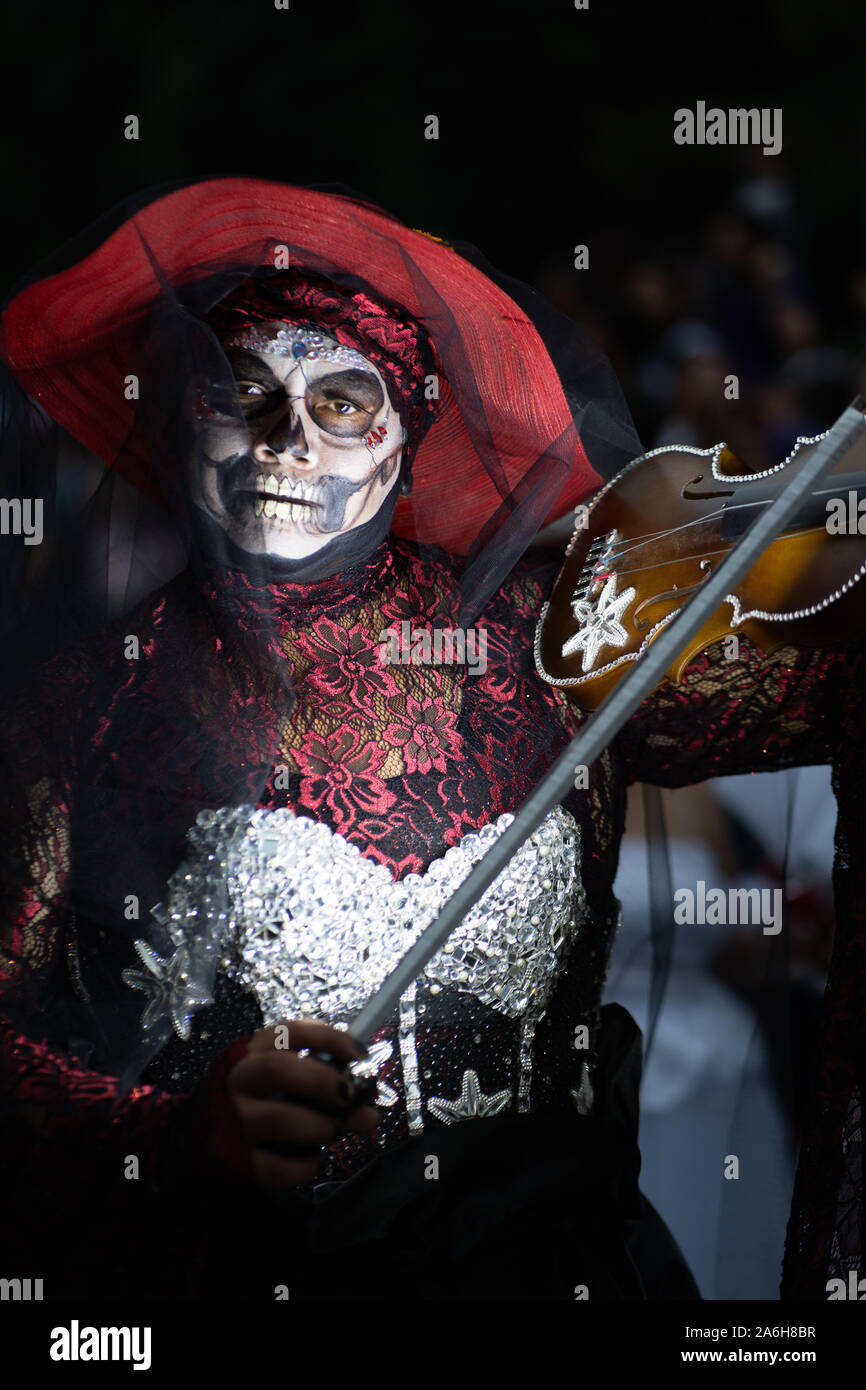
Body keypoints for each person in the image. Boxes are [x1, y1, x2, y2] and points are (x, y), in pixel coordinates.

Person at [0, 177, 860, 1301]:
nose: (284, 440)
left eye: (343, 403)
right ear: (179, 417)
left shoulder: (561, 648)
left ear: (408, 439)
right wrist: (184, 1134)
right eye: (242, 391)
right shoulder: (82, 701)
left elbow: (831, 688)